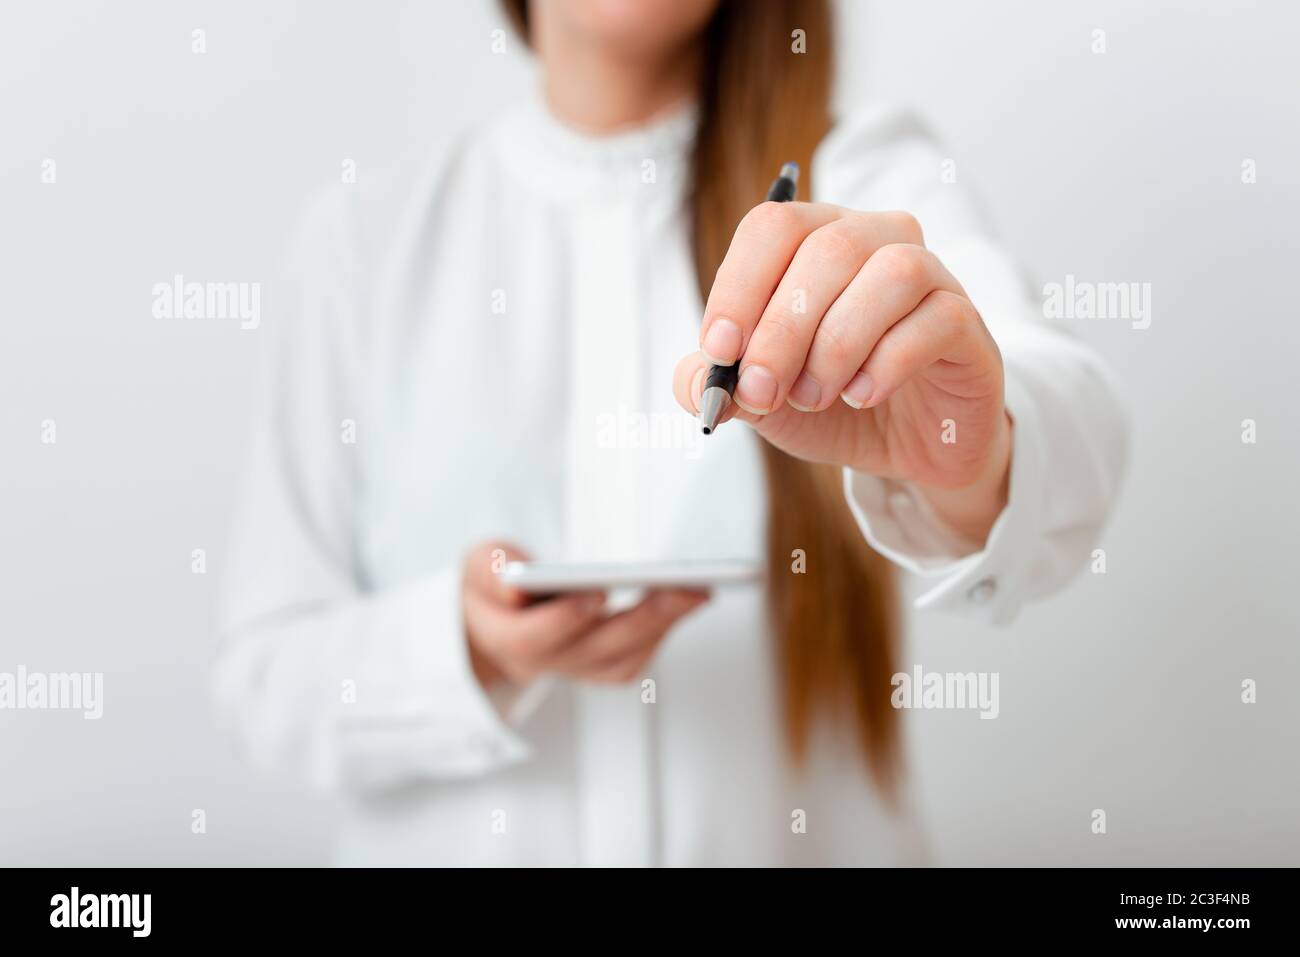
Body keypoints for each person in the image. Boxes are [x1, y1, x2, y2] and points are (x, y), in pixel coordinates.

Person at [215, 0, 1126, 866]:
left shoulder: (865, 178)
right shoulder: (363, 245)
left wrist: (973, 454)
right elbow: (264, 682)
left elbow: (1069, 428)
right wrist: (460, 648)